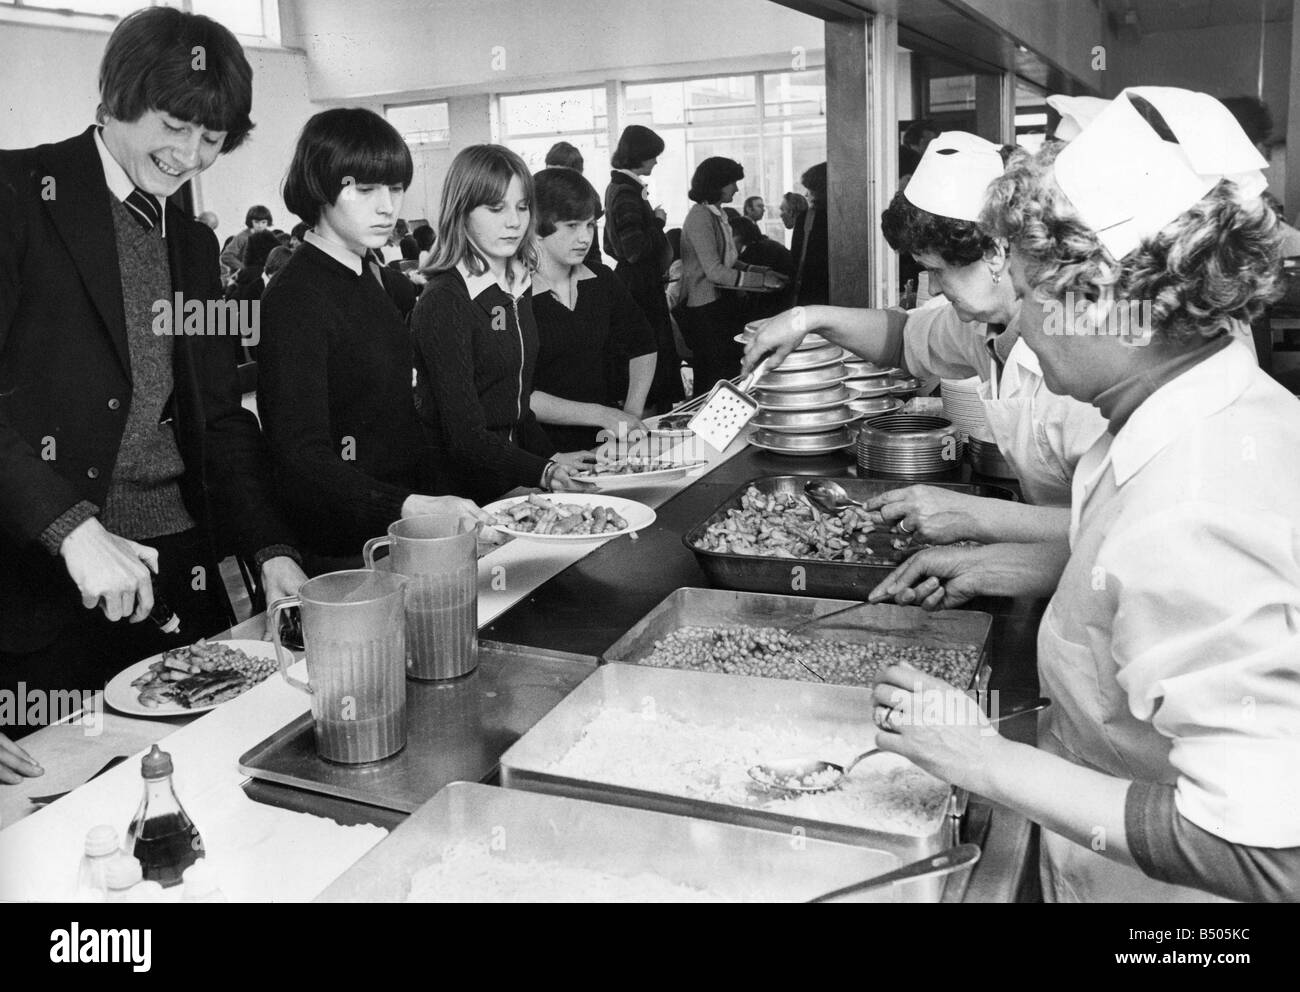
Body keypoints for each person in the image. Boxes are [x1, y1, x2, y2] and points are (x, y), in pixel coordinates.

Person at [867, 88, 1300, 902]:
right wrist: (1021, 569)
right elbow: (1130, 580)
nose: (1019, 327)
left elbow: (1269, 856)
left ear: (1107, 304)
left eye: (1029, 297)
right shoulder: (1180, 414)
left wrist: (979, 758)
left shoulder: (1200, 506)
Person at [0, 7, 306, 768]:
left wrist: (268, 547)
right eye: (175, 125)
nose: (189, 157)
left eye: (211, 140)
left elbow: (219, 419)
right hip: (44, 578)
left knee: (205, 781)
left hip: (177, 572)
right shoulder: (15, 195)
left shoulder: (194, 245)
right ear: (116, 98)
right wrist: (70, 527)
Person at [744, 132, 1110, 540]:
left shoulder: (1083, 352)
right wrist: (806, 318)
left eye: (938, 270)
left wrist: (971, 515)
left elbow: (1117, 530)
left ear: (996, 253)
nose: (933, 289)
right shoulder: (980, 325)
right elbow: (902, 338)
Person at [256, 109, 485, 575]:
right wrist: (409, 506)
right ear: (320, 188)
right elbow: (300, 455)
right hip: (343, 552)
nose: (387, 207)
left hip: (395, 531)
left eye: (395, 190)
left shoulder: (367, 275)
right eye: (365, 190)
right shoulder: (296, 295)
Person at [411, 145, 596, 503]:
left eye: (522, 207)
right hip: (461, 497)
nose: (514, 221)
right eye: (496, 208)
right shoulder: (445, 299)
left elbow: (513, 405)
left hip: (507, 481)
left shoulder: (516, 285)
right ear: (461, 212)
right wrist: (543, 471)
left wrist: (552, 458)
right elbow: (465, 438)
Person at [528, 168, 657, 452]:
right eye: (572, 226)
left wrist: (630, 416)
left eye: (590, 225)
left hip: (605, 442)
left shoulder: (602, 279)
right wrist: (603, 415)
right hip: (542, 452)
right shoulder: (512, 296)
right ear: (537, 228)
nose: (585, 237)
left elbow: (643, 345)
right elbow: (516, 394)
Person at [680, 157, 787, 392]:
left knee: (725, 374)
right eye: (732, 183)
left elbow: (729, 260)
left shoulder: (716, 213)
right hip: (704, 309)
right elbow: (715, 271)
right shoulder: (700, 216)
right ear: (717, 183)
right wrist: (760, 281)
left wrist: (762, 271)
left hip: (718, 305)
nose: (737, 189)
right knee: (714, 377)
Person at [603, 124, 682, 409]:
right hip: (642, 287)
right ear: (639, 155)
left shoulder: (618, 188)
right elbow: (633, 249)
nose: (656, 162)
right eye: (652, 156)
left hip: (634, 282)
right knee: (651, 358)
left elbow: (610, 247)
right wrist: (658, 221)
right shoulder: (627, 192)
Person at [789, 162, 829, 306]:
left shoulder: (806, 218)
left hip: (811, 293)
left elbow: (796, 258)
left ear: (821, 190)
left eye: (810, 189)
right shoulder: (851, 218)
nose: (806, 194)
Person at [219, 203, 273, 283]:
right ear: (250, 222)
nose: (260, 226)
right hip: (244, 279)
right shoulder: (242, 237)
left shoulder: (269, 236)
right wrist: (244, 268)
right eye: (257, 222)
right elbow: (226, 256)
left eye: (263, 222)